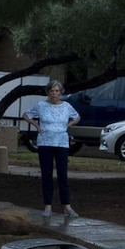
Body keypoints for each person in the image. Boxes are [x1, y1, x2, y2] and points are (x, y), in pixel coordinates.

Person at [23, 80, 81, 222]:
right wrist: (36, 125)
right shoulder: (41, 105)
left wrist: (69, 124)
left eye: (57, 91)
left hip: (61, 143)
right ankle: (48, 206)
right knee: (47, 174)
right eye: (52, 91)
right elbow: (26, 115)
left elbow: (77, 117)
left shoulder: (66, 106)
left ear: (61, 92)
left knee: (62, 175)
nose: (54, 94)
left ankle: (67, 206)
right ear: (48, 92)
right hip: (45, 143)